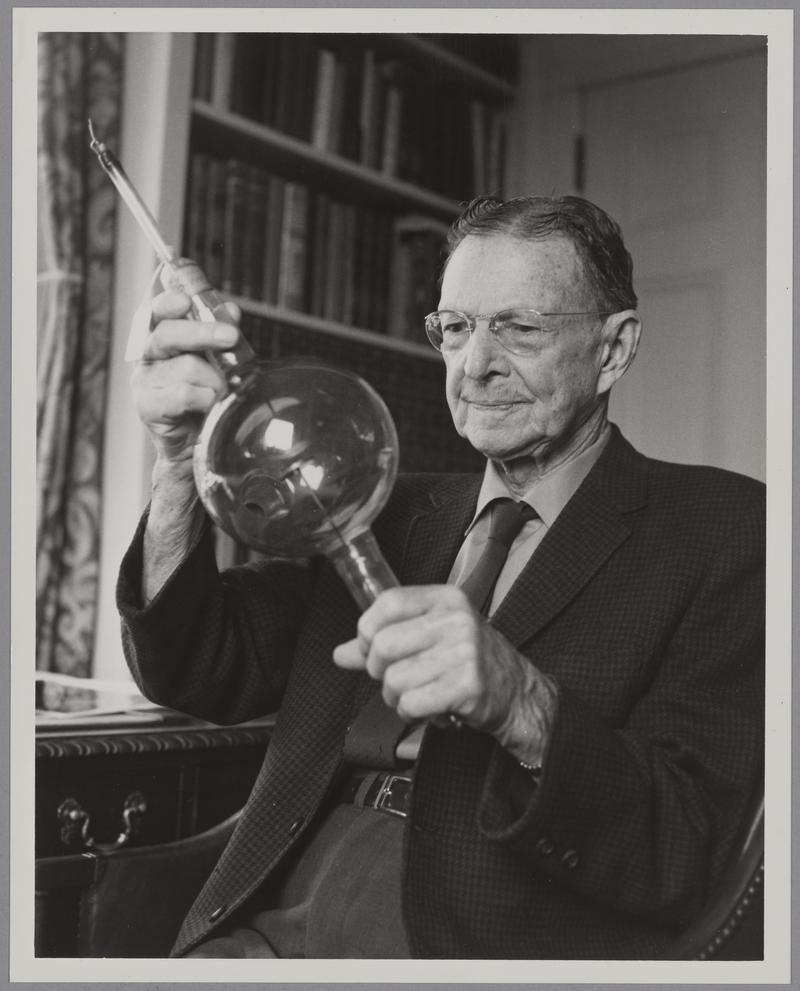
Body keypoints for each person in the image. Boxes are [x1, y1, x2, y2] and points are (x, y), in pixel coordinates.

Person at [117, 195, 764, 960]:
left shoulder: (727, 526)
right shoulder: (381, 499)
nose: (477, 365)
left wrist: (520, 699)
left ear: (614, 349)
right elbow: (194, 666)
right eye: (456, 328)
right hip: (262, 921)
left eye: (519, 328)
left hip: (464, 937)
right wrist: (175, 466)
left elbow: (691, 851)